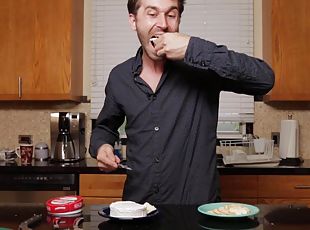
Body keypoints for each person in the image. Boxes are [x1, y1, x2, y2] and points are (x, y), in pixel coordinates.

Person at [90, 0, 274, 205]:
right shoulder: (119, 77)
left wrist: (193, 48)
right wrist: (102, 146)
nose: (163, 23)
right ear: (133, 21)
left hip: (196, 212)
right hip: (138, 210)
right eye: (152, 14)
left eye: (171, 14)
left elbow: (264, 80)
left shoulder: (204, 67)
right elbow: (104, 127)